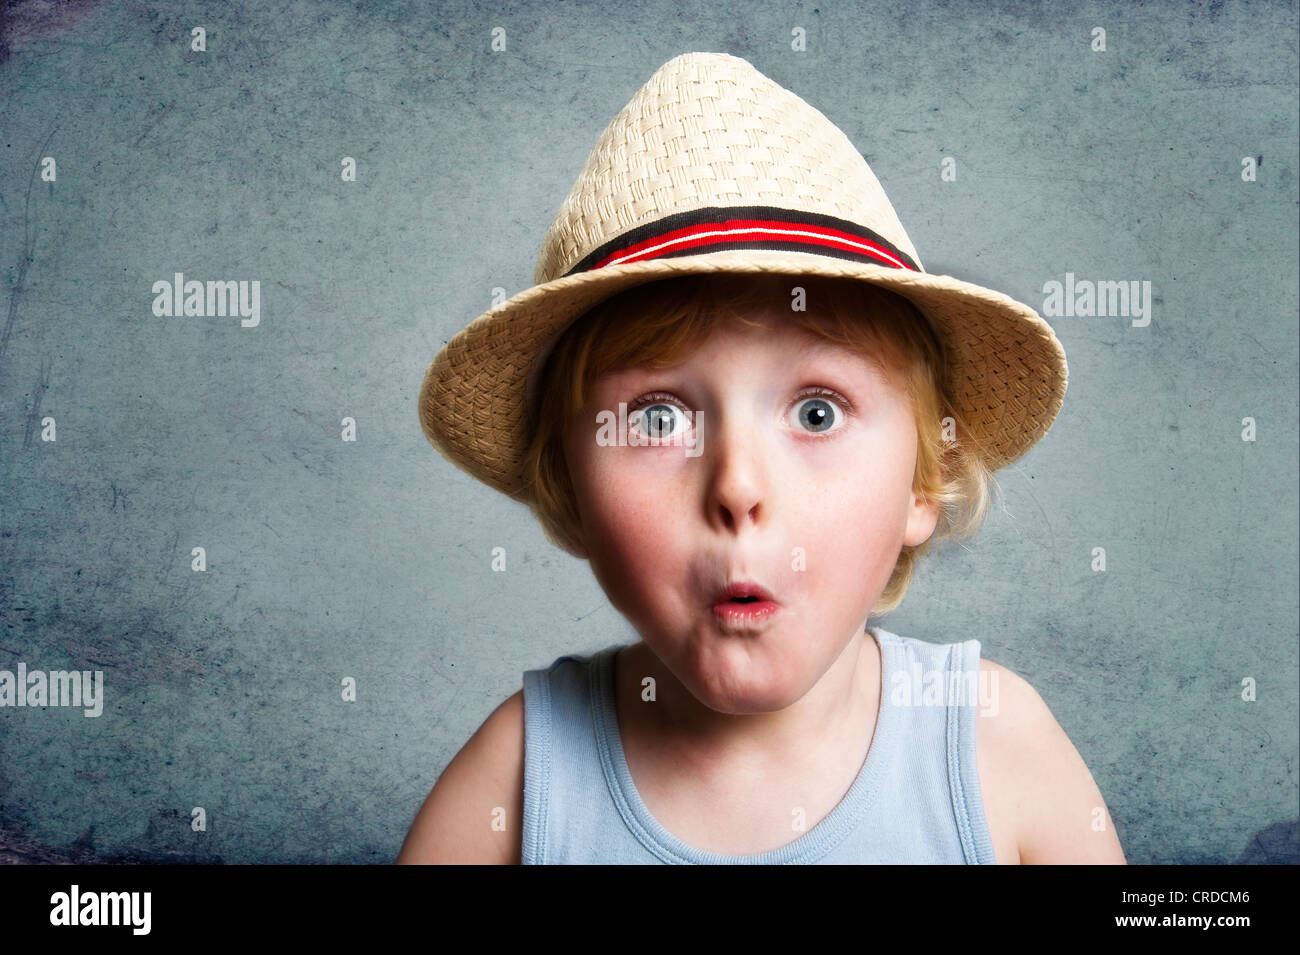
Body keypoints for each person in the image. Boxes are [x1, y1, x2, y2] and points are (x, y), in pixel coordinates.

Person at [397, 51, 1126, 864]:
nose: (738, 486)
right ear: (569, 487)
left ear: (928, 477)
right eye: (658, 417)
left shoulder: (998, 750)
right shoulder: (519, 778)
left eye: (817, 411)